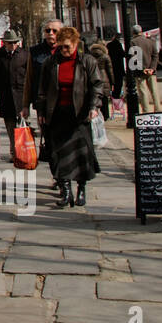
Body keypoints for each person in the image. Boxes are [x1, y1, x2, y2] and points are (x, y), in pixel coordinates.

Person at [35, 26, 105, 208]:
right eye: (61, 47)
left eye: (67, 47)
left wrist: (94, 106)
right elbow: (42, 90)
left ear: (76, 44)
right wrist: (41, 112)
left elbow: (97, 85)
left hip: (79, 114)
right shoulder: (50, 63)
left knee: (81, 154)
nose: (64, 50)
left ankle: (81, 189)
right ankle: (65, 191)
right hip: (57, 113)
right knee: (58, 154)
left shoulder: (86, 61)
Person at [21, 19, 63, 148]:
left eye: (54, 30)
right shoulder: (35, 51)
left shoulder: (66, 49)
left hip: (63, 99)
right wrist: (25, 105)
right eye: (47, 30)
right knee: (48, 135)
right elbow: (29, 79)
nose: (50, 33)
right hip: (42, 101)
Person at [0, 30, 30, 146]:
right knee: (10, 123)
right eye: (10, 43)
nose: (13, 45)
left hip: (20, 93)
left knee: (22, 122)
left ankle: (23, 149)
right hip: (5, 93)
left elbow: (30, 75)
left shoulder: (24, 54)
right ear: (4, 43)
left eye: (15, 42)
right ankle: (14, 149)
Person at [132, 25, 161, 113]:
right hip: (151, 71)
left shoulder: (133, 42)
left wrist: (142, 69)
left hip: (139, 71)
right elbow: (155, 55)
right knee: (154, 92)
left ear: (133, 33)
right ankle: (158, 110)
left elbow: (134, 58)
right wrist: (152, 68)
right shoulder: (150, 42)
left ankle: (146, 111)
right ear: (141, 31)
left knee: (143, 92)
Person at [86, 34, 114, 120]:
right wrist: (112, 82)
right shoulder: (105, 56)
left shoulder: (89, 56)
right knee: (105, 98)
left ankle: (96, 113)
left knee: (95, 96)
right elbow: (110, 70)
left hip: (93, 76)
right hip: (103, 76)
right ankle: (106, 115)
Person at [105, 29, 126, 100]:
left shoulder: (108, 45)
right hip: (118, 67)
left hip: (111, 67)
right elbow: (123, 54)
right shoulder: (118, 44)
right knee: (118, 84)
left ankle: (112, 95)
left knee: (112, 83)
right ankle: (116, 97)